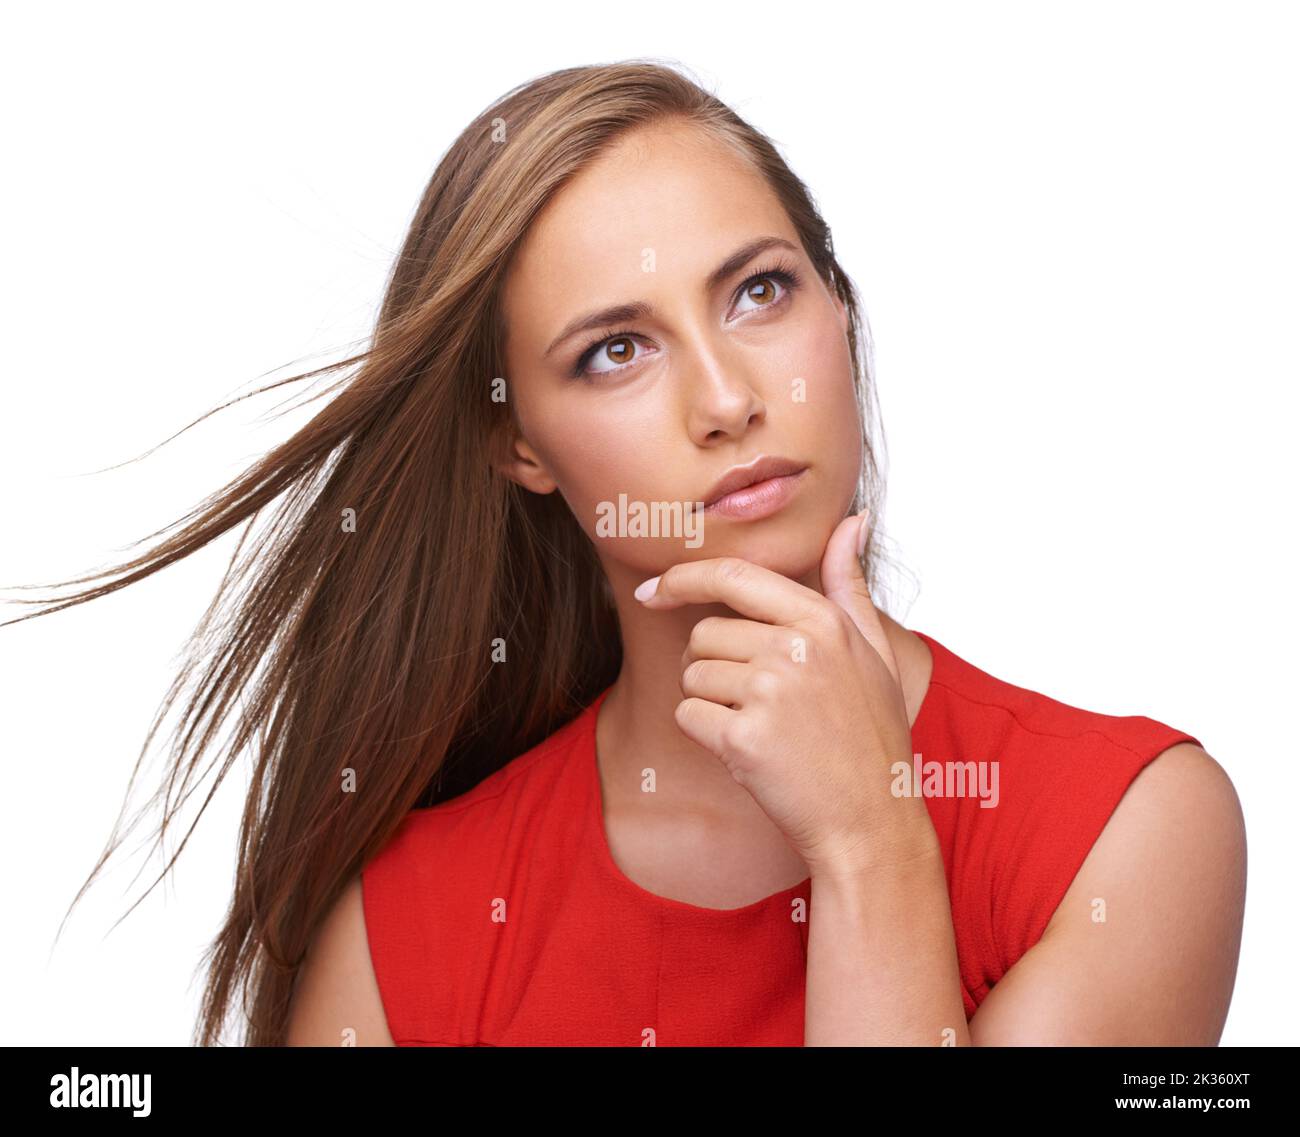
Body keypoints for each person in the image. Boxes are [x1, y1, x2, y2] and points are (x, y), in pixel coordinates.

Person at [13, 60, 1245, 1047]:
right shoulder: (404, 935)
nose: (724, 399)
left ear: (840, 307)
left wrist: (870, 845)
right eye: (616, 349)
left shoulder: (1125, 832)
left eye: (760, 292)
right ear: (519, 444)